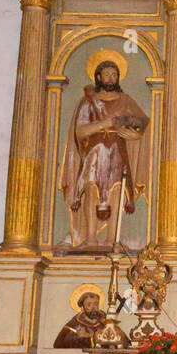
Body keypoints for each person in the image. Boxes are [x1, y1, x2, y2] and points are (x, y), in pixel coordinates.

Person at [59, 60, 150, 248]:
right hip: (94, 151)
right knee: (91, 188)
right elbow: (80, 131)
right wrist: (104, 124)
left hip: (117, 151)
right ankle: (90, 237)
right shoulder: (88, 101)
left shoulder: (126, 101)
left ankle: (112, 239)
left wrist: (132, 134)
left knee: (117, 189)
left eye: (114, 75)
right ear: (99, 77)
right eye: (107, 74)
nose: (111, 78)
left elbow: (141, 128)